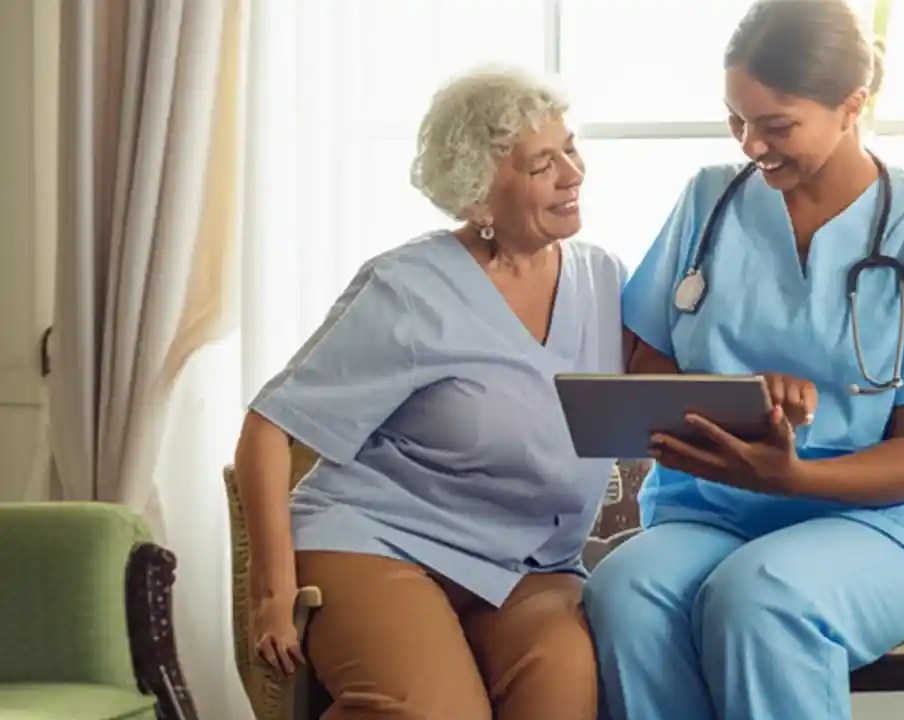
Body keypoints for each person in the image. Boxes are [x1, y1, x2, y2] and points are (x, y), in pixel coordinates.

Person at [581, 2, 904, 719]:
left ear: (853, 106)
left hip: (880, 527)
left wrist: (794, 476)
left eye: (777, 125)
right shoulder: (708, 201)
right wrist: (739, 398)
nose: (752, 144)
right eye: (736, 120)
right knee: (625, 593)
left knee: (761, 596)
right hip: (708, 514)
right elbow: (647, 365)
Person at [234, 66, 625, 720]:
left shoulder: (604, 279)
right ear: (479, 193)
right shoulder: (410, 288)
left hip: (528, 565)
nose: (572, 173)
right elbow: (269, 428)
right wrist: (270, 591)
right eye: (541, 164)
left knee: (562, 684)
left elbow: (670, 378)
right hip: (378, 539)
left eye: (571, 148)